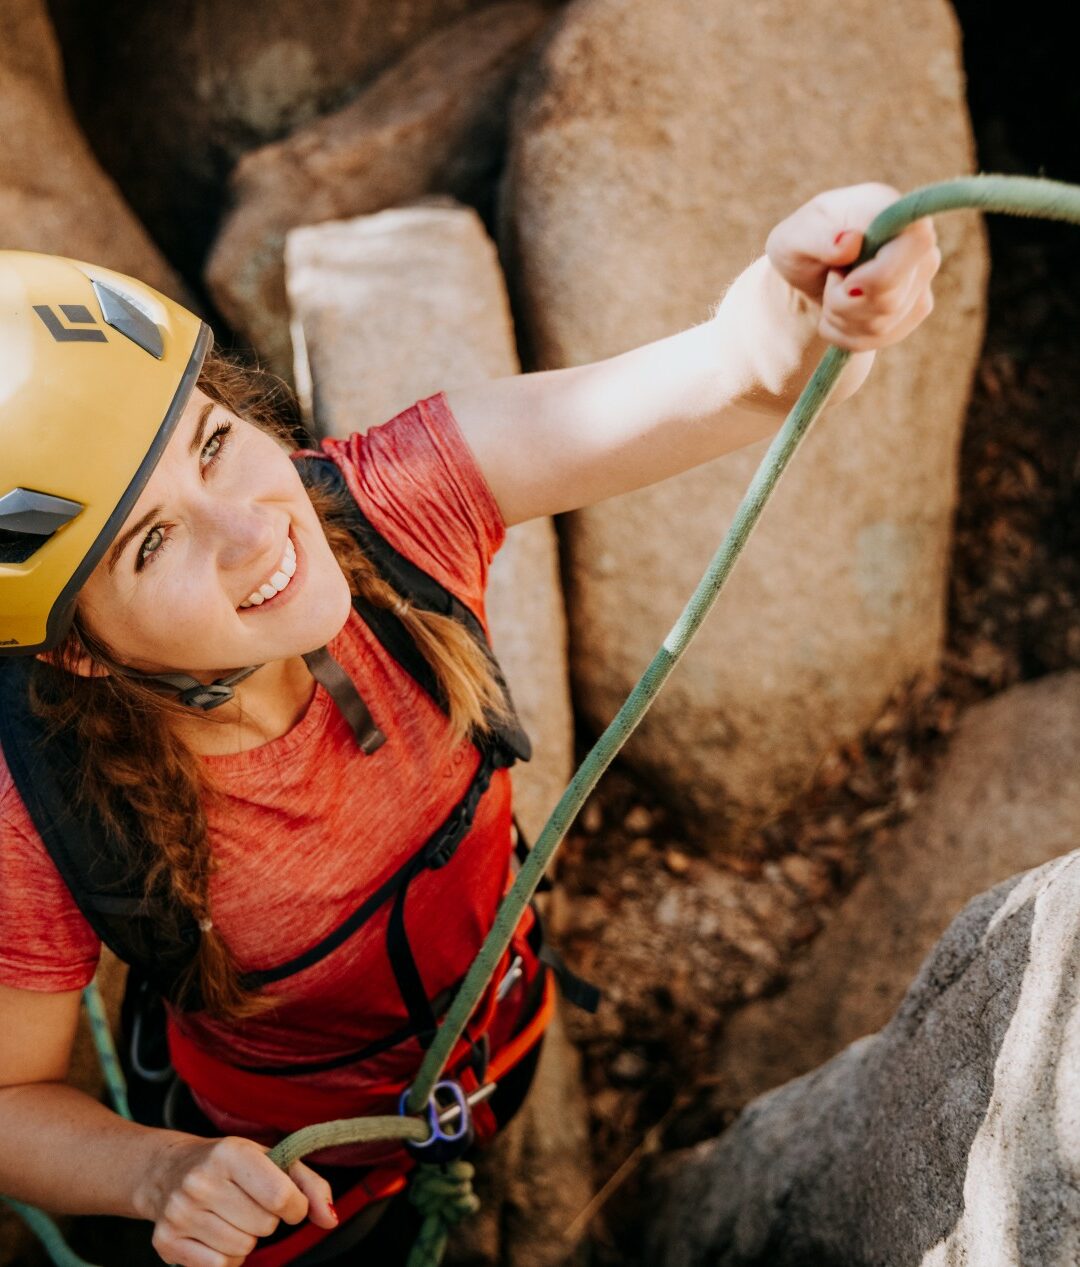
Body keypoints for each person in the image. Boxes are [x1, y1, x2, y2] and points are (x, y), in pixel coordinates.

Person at [0, 181, 940, 1267]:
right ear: (75, 645)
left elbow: (732, 373)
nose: (251, 531)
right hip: (280, 1177)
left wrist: (819, 295)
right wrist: (157, 1174)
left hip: (499, 1038)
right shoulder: (45, 809)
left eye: (211, 442)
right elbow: (12, 1096)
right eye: (150, 544)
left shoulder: (398, 511)